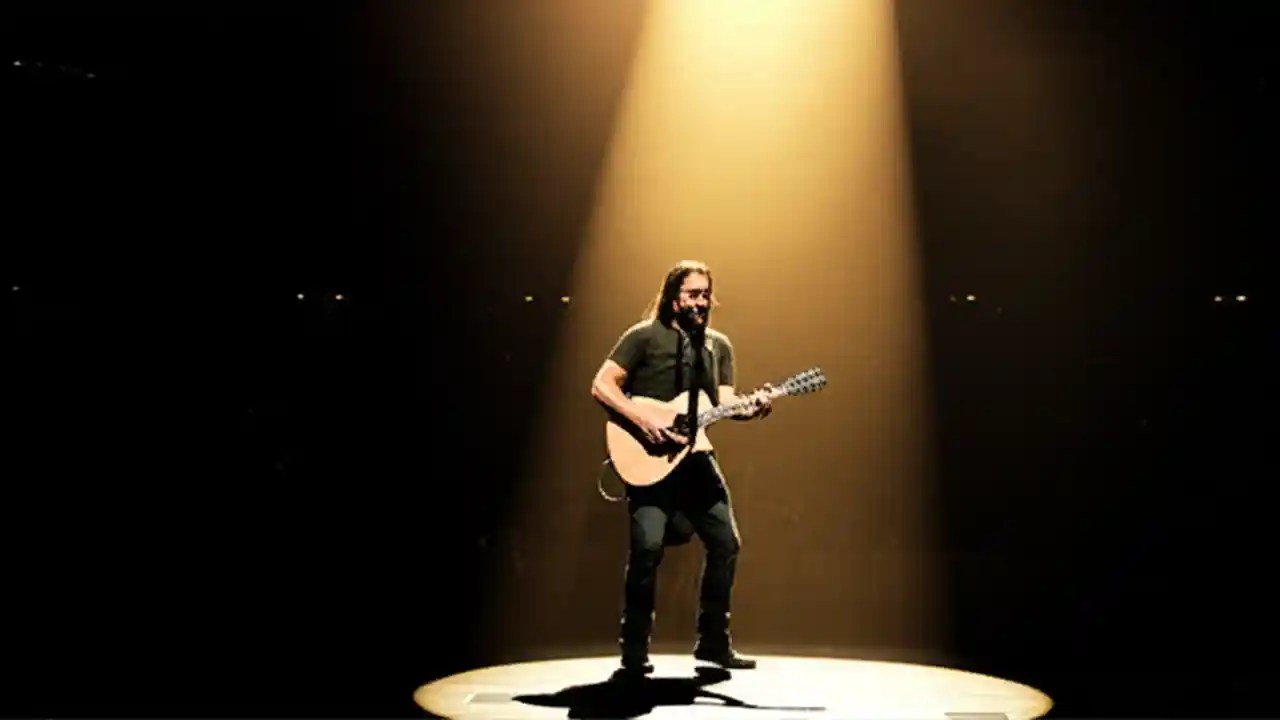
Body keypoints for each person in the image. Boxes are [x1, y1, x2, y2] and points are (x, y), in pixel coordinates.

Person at [590, 259, 773, 674]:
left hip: (696, 460)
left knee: (726, 543)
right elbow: (602, 384)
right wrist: (643, 424)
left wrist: (753, 407)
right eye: (693, 294)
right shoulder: (643, 337)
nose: (701, 302)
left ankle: (712, 643)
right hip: (649, 458)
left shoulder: (717, 345)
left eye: (706, 294)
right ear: (674, 297)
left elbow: (724, 401)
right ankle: (633, 649)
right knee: (647, 549)